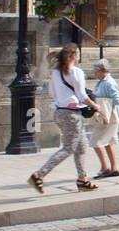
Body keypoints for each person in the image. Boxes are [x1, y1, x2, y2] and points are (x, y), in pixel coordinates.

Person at [29, 43, 100, 193]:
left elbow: (52, 93)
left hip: (60, 112)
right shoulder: (76, 72)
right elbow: (82, 96)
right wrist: (95, 106)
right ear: (74, 55)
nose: (79, 56)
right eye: (78, 53)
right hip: (71, 114)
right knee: (69, 148)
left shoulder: (56, 73)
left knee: (81, 146)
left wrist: (64, 99)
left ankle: (83, 180)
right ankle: (40, 174)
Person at [89, 58, 119, 179]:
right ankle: (113, 168)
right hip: (106, 117)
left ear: (102, 71)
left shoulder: (109, 83)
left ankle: (105, 167)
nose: (94, 74)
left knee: (95, 141)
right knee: (108, 143)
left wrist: (105, 105)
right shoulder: (101, 81)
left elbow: (116, 99)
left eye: (96, 71)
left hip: (109, 117)